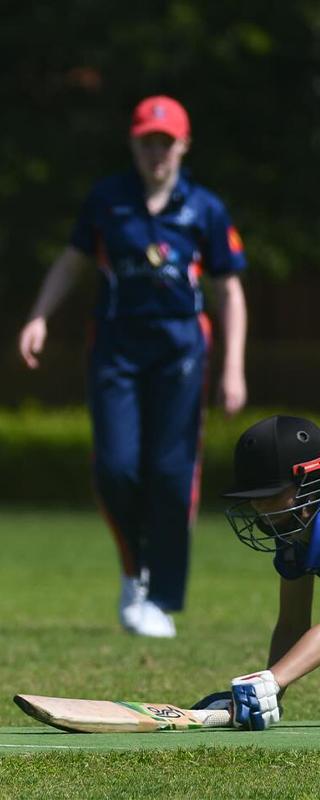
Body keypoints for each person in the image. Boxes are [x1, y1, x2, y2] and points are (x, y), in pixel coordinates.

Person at [18, 95, 249, 638]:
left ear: (184, 145)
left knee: (171, 475)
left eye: (166, 142)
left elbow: (229, 290)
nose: (156, 152)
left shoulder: (206, 209)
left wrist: (234, 367)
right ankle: (133, 573)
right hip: (116, 349)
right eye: (147, 141)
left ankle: (161, 595)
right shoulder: (107, 200)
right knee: (117, 467)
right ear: (133, 143)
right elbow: (72, 262)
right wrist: (39, 318)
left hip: (182, 353)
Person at [209, 415, 320, 729]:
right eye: (254, 498)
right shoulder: (297, 536)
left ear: (311, 482)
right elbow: (292, 623)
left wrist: (272, 680)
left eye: (270, 496)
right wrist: (266, 695)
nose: (260, 509)